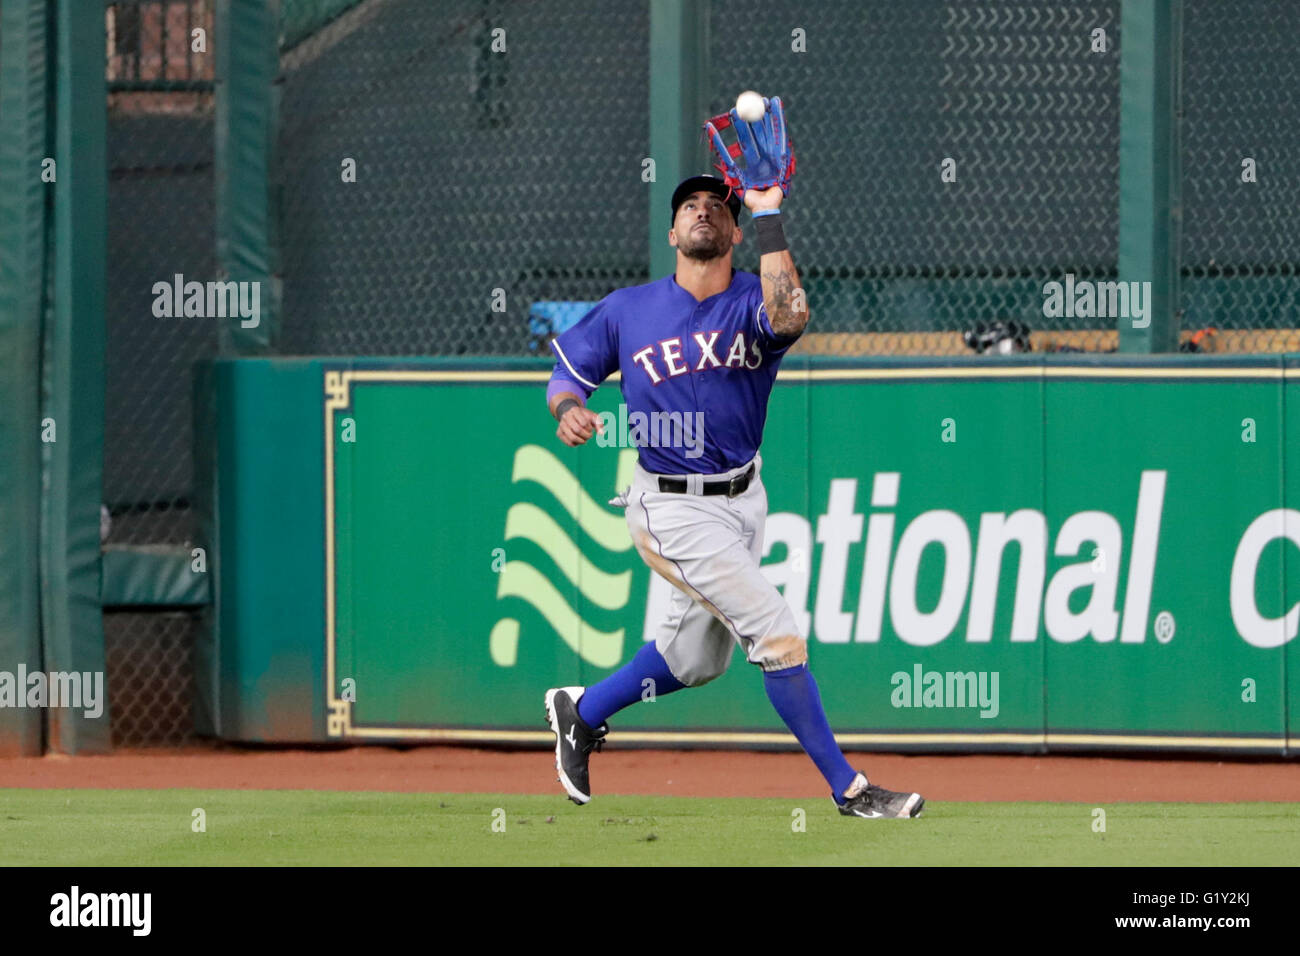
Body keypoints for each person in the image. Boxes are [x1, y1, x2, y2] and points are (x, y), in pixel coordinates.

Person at [541, 104, 923, 820]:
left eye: (714, 204)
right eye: (688, 205)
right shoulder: (629, 309)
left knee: (694, 661)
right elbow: (566, 373)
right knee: (775, 632)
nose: (700, 211)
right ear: (671, 233)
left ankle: (581, 709)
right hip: (669, 504)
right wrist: (568, 409)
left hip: (743, 498)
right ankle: (850, 788)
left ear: (734, 231)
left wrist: (770, 209)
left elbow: (790, 316)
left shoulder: (753, 297)